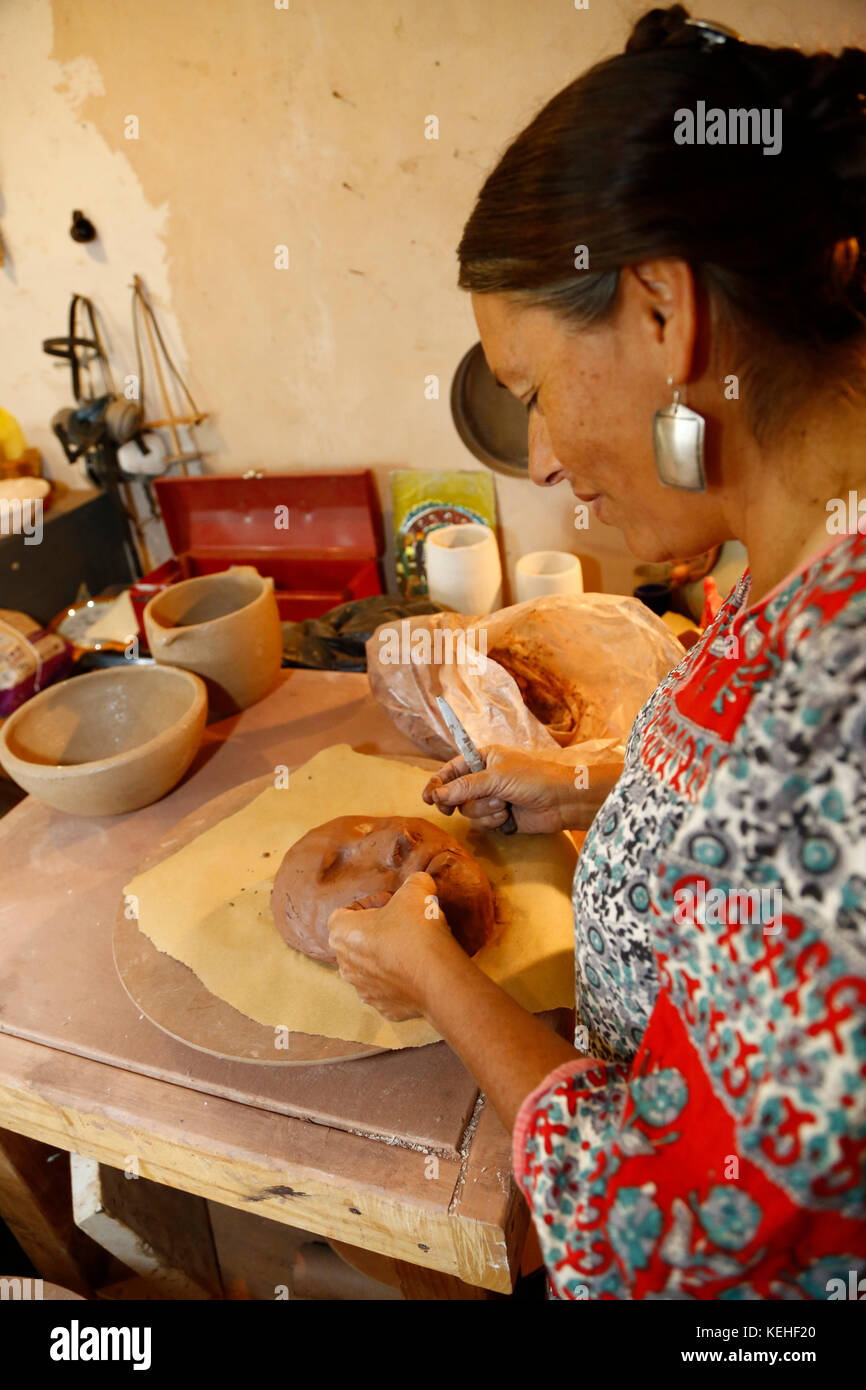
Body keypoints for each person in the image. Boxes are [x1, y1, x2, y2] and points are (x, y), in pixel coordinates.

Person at [329, 5, 866, 1299]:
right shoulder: (788, 557)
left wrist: (435, 973)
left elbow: (660, 1239)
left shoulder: (840, 709)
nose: (547, 458)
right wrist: (599, 783)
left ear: (658, 309)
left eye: (527, 391)